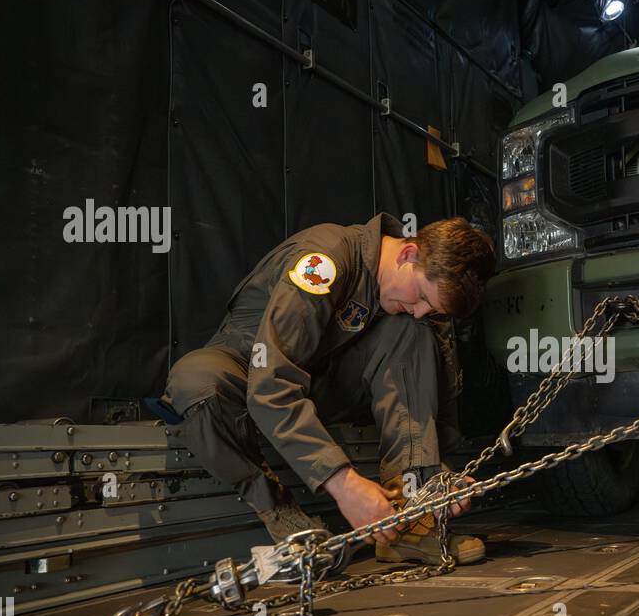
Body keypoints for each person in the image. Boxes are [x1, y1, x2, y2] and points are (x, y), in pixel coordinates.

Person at [160, 212, 496, 565]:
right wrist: (344, 484)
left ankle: (409, 521)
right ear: (407, 253)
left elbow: (441, 393)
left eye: (431, 308)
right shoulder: (324, 261)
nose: (419, 311)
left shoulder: (413, 305)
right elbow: (270, 380)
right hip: (252, 368)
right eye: (422, 297)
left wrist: (437, 477)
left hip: (320, 380)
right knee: (194, 382)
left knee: (409, 333)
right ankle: (282, 515)